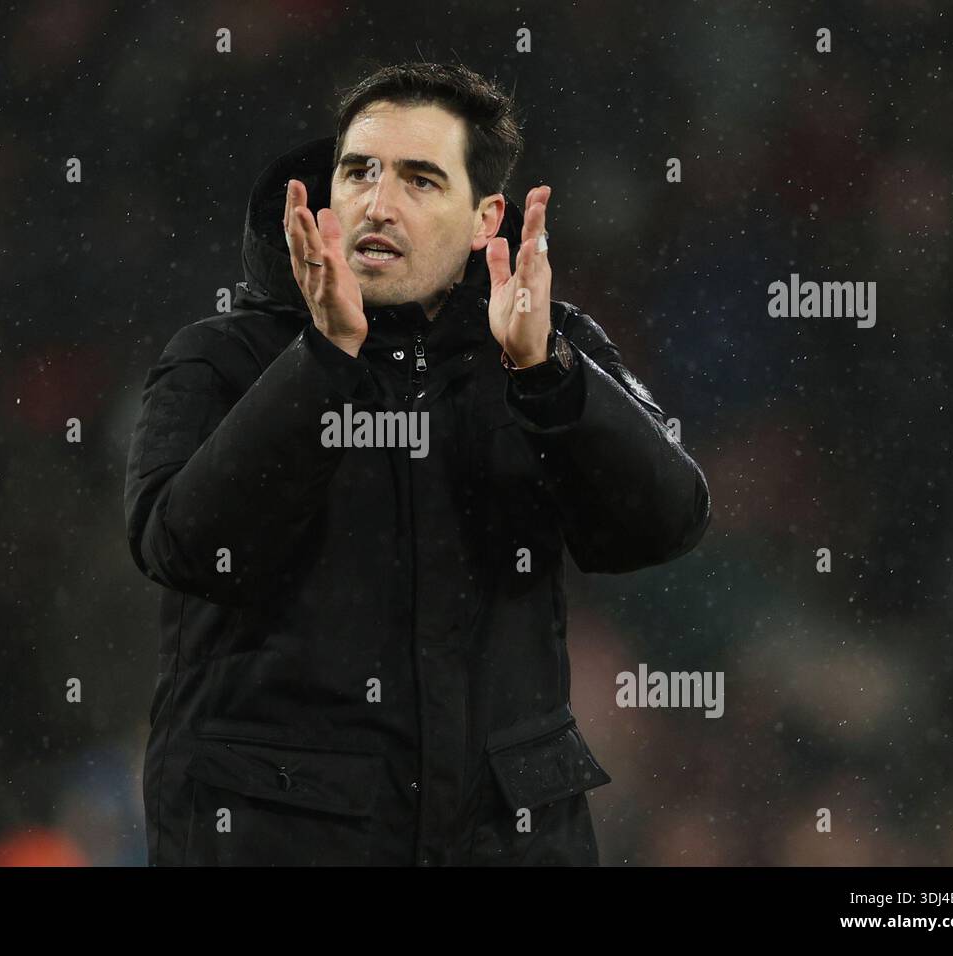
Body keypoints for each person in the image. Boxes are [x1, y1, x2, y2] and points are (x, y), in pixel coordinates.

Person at [123, 61, 711, 866]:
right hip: (283, 838)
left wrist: (547, 378)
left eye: (421, 180)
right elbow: (179, 546)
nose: (377, 202)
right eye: (358, 170)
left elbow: (665, 525)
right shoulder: (222, 355)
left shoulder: (541, 344)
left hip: (507, 837)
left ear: (485, 219)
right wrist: (324, 361)